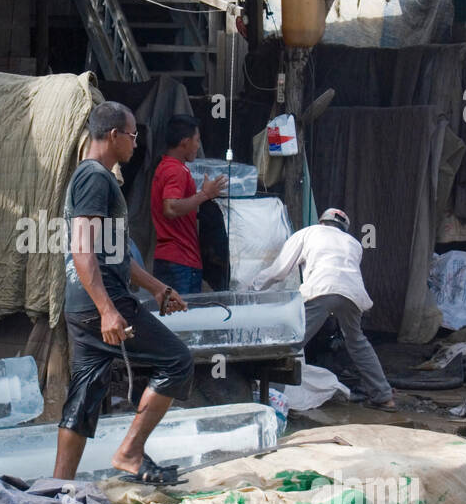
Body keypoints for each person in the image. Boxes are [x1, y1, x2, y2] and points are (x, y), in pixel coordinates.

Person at [54, 101, 196, 483]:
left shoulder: (97, 179)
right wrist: (108, 310)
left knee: (85, 393)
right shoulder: (95, 178)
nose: (136, 144)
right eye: (132, 136)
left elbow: (113, 255)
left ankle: (59, 487)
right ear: (114, 135)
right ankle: (130, 452)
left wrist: (158, 287)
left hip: (81, 304)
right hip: (102, 302)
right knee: (177, 361)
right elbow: (81, 249)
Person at [252, 207, 395, 410]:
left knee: (292, 343)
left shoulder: (308, 232)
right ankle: (384, 396)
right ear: (344, 228)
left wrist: (253, 288)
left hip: (321, 289)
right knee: (357, 342)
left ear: (322, 222)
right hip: (353, 295)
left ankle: (271, 399)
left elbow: (280, 270)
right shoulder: (354, 243)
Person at [150, 114, 227, 295]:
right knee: (179, 321)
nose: (198, 146)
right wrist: (205, 194)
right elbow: (170, 208)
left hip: (180, 260)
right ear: (185, 142)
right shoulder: (174, 170)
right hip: (178, 263)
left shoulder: (171, 167)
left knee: (181, 320)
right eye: (197, 140)